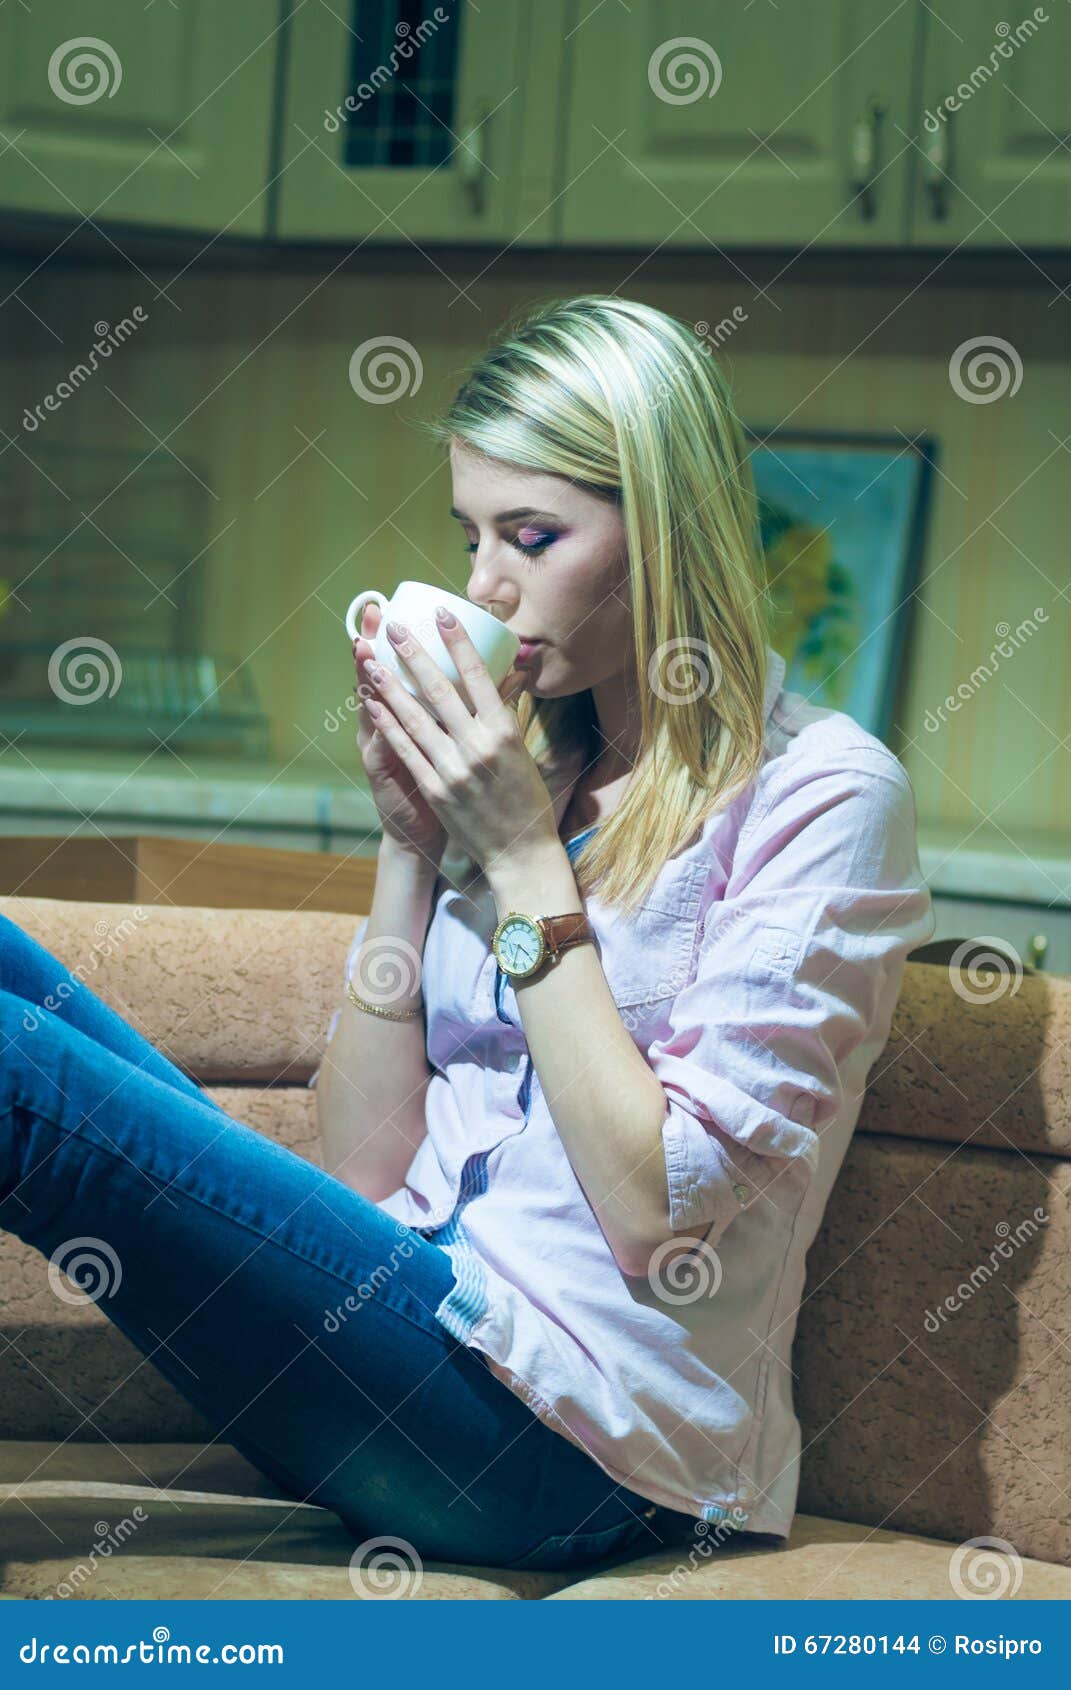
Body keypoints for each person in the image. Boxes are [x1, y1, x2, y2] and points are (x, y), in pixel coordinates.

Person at [0, 295, 934, 1579]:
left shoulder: (823, 795)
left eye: (533, 535)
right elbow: (372, 1180)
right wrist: (412, 840)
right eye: (473, 536)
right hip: (399, 1330)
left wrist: (517, 858)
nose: (486, 585)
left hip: (566, 1455)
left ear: (661, 531)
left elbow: (659, 1215)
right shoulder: (536, 777)